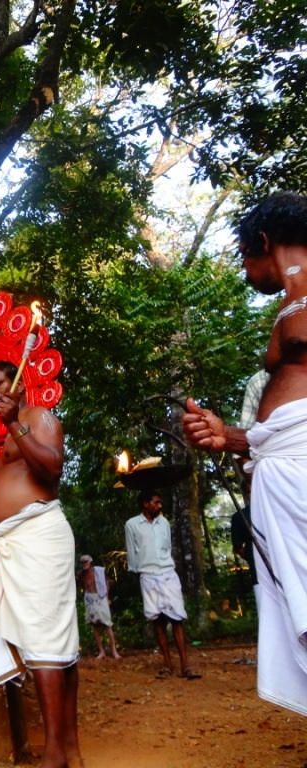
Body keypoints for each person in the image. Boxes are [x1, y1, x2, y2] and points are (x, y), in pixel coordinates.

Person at [181, 191, 307, 717]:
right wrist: (229, 435)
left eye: (243, 256)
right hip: (283, 469)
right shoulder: (291, 301)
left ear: (263, 241)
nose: (244, 271)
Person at [0, 360, 82, 768]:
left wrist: (15, 423)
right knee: (46, 640)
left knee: (48, 640)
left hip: (40, 536)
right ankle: (67, 749)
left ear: (18, 383)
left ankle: (55, 754)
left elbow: (50, 468)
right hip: (12, 541)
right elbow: (11, 475)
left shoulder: (37, 416)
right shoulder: (11, 429)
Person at [123, 490, 200, 680]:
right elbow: (131, 551)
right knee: (157, 620)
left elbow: (167, 547)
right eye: (156, 502)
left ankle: (185, 666)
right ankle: (167, 665)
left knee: (177, 619)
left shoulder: (164, 523)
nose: (159, 505)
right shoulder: (132, 525)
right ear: (145, 504)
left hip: (168, 573)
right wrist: (138, 572)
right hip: (147, 575)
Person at [77, 555, 121, 660]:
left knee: (107, 624)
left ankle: (114, 651)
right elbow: (82, 586)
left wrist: (107, 597)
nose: (84, 563)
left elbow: (106, 583)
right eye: (82, 562)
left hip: (100, 597)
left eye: (86, 561)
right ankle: (102, 652)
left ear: (90, 561)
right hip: (90, 599)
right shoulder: (81, 575)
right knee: (95, 626)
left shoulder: (99, 571)